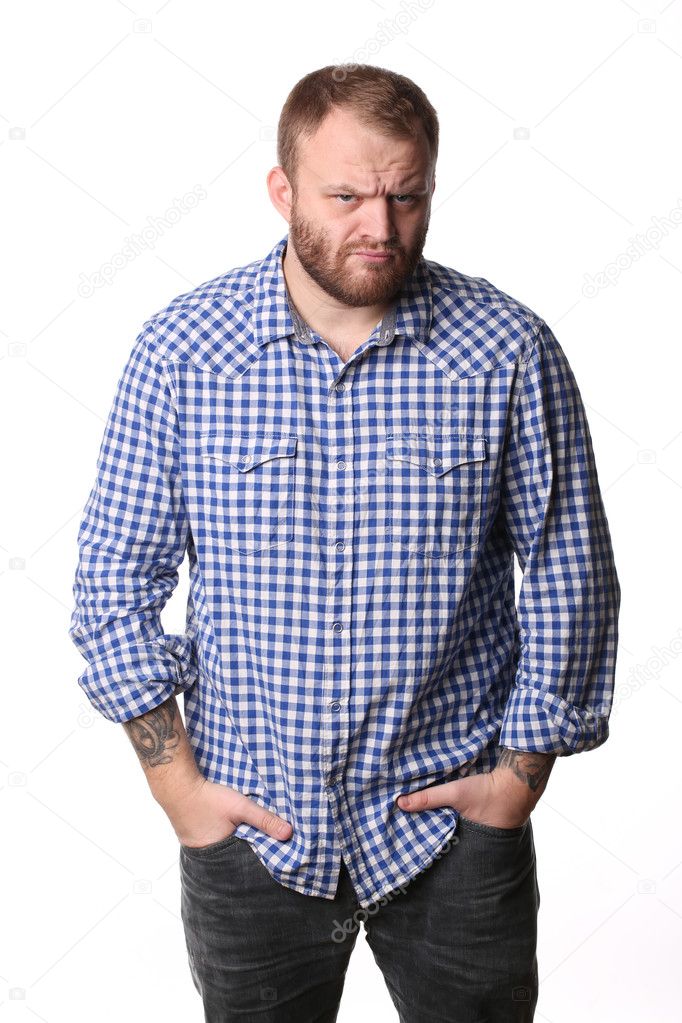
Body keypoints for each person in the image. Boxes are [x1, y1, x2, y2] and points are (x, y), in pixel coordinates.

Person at [68, 63, 621, 1022]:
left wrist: (517, 779)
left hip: (452, 834)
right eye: (348, 194)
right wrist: (181, 791)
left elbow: (574, 573)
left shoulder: (505, 350)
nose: (381, 225)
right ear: (281, 190)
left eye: (408, 195)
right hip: (252, 836)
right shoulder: (185, 351)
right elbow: (111, 587)